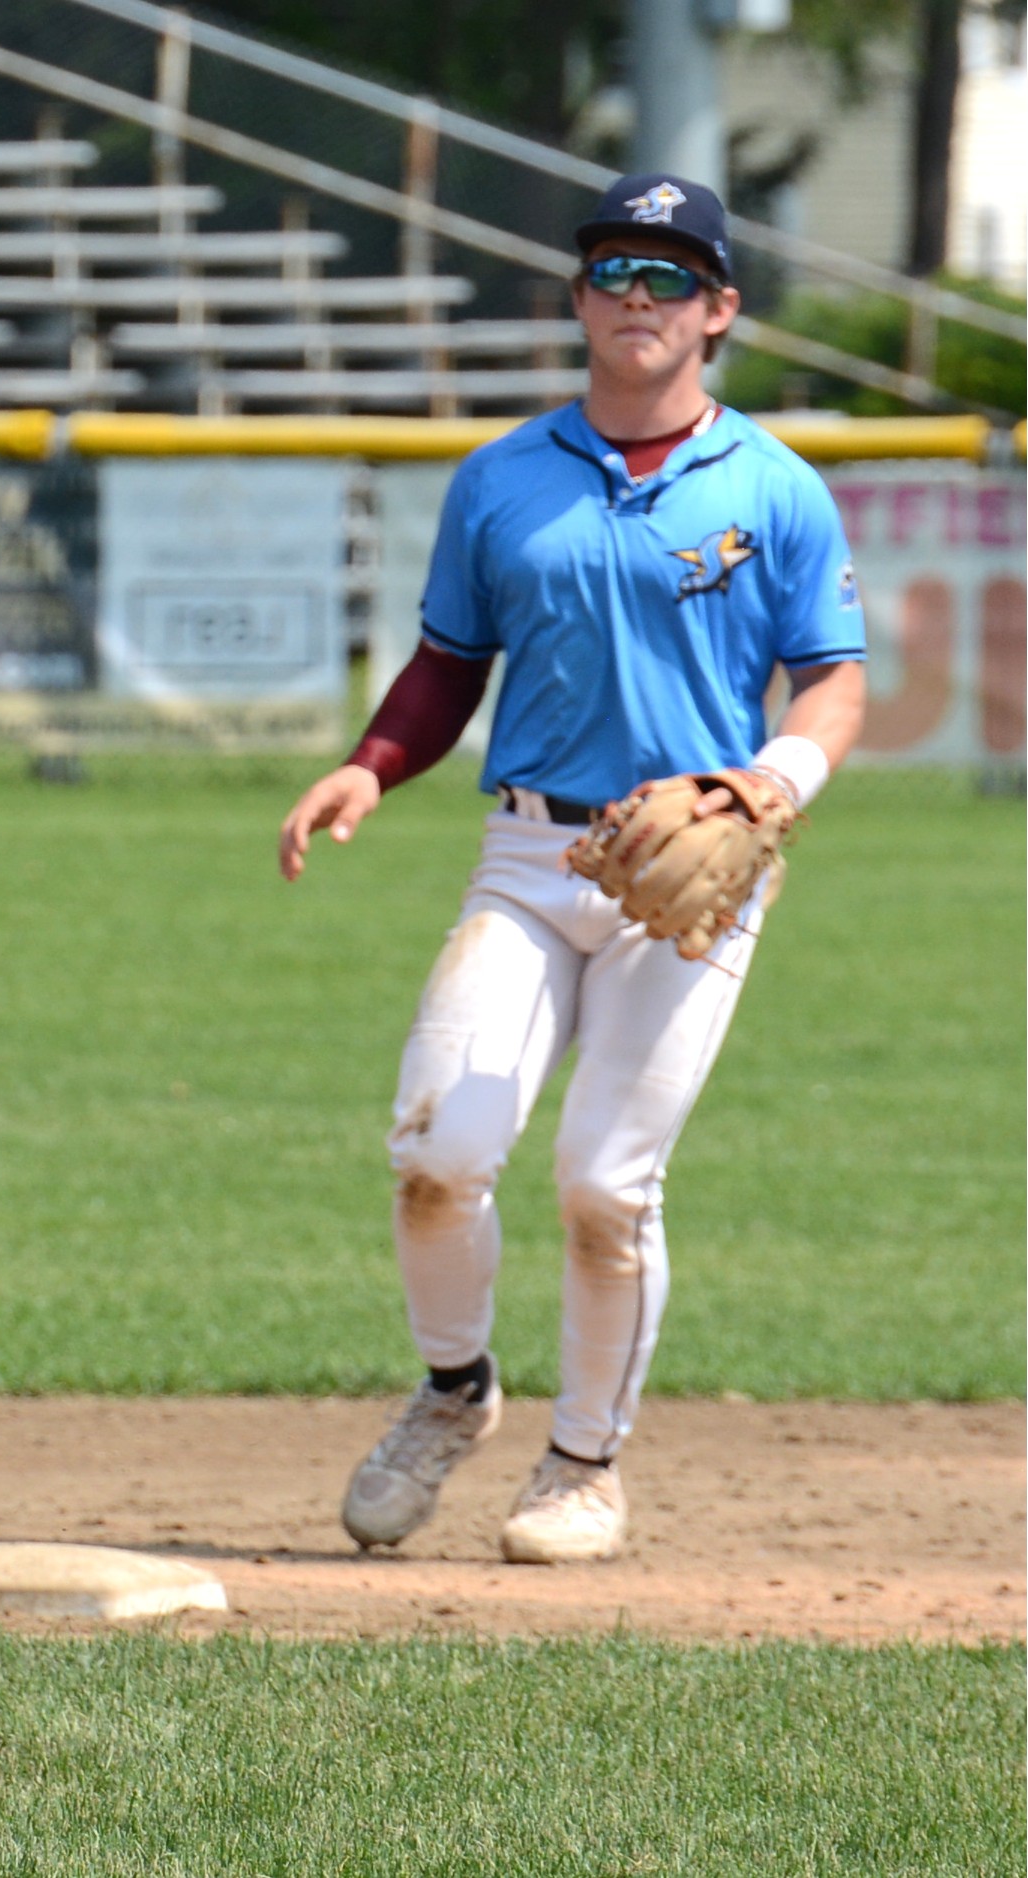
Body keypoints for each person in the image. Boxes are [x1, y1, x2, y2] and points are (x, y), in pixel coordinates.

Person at [276, 175, 866, 1565]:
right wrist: (370, 762)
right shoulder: (501, 478)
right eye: (611, 269)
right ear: (576, 297)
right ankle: (451, 1392)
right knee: (438, 1151)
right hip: (531, 850)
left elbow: (832, 684)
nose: (635, 298)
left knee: (605, 1184)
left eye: (669, 277)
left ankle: (582, 1467)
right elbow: (445, 663)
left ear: (719, 310)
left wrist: (765, 782)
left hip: (694, 860)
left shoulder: (774, 488)